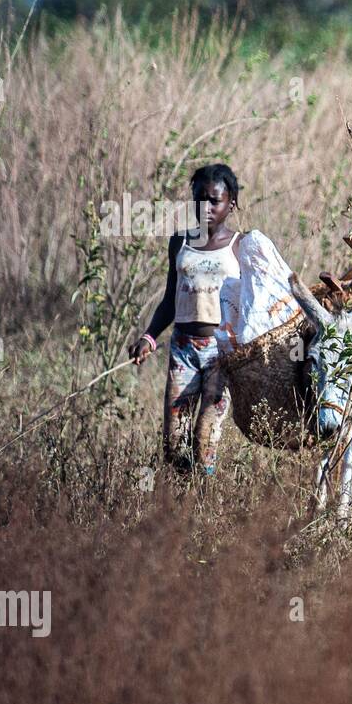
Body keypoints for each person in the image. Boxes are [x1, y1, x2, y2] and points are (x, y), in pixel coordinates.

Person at [129, 164, 245, 476]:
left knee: (204, 437)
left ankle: (203, 507)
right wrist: (149, 337)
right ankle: (181, 503)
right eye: (199, 199)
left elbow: (255, 304)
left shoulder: (241, 247)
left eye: (214, 200)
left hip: (221, 354)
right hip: (183, 350)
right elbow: (170, 299)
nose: (205, 207)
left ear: (230, 203)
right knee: (173, 444)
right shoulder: (179, 242)